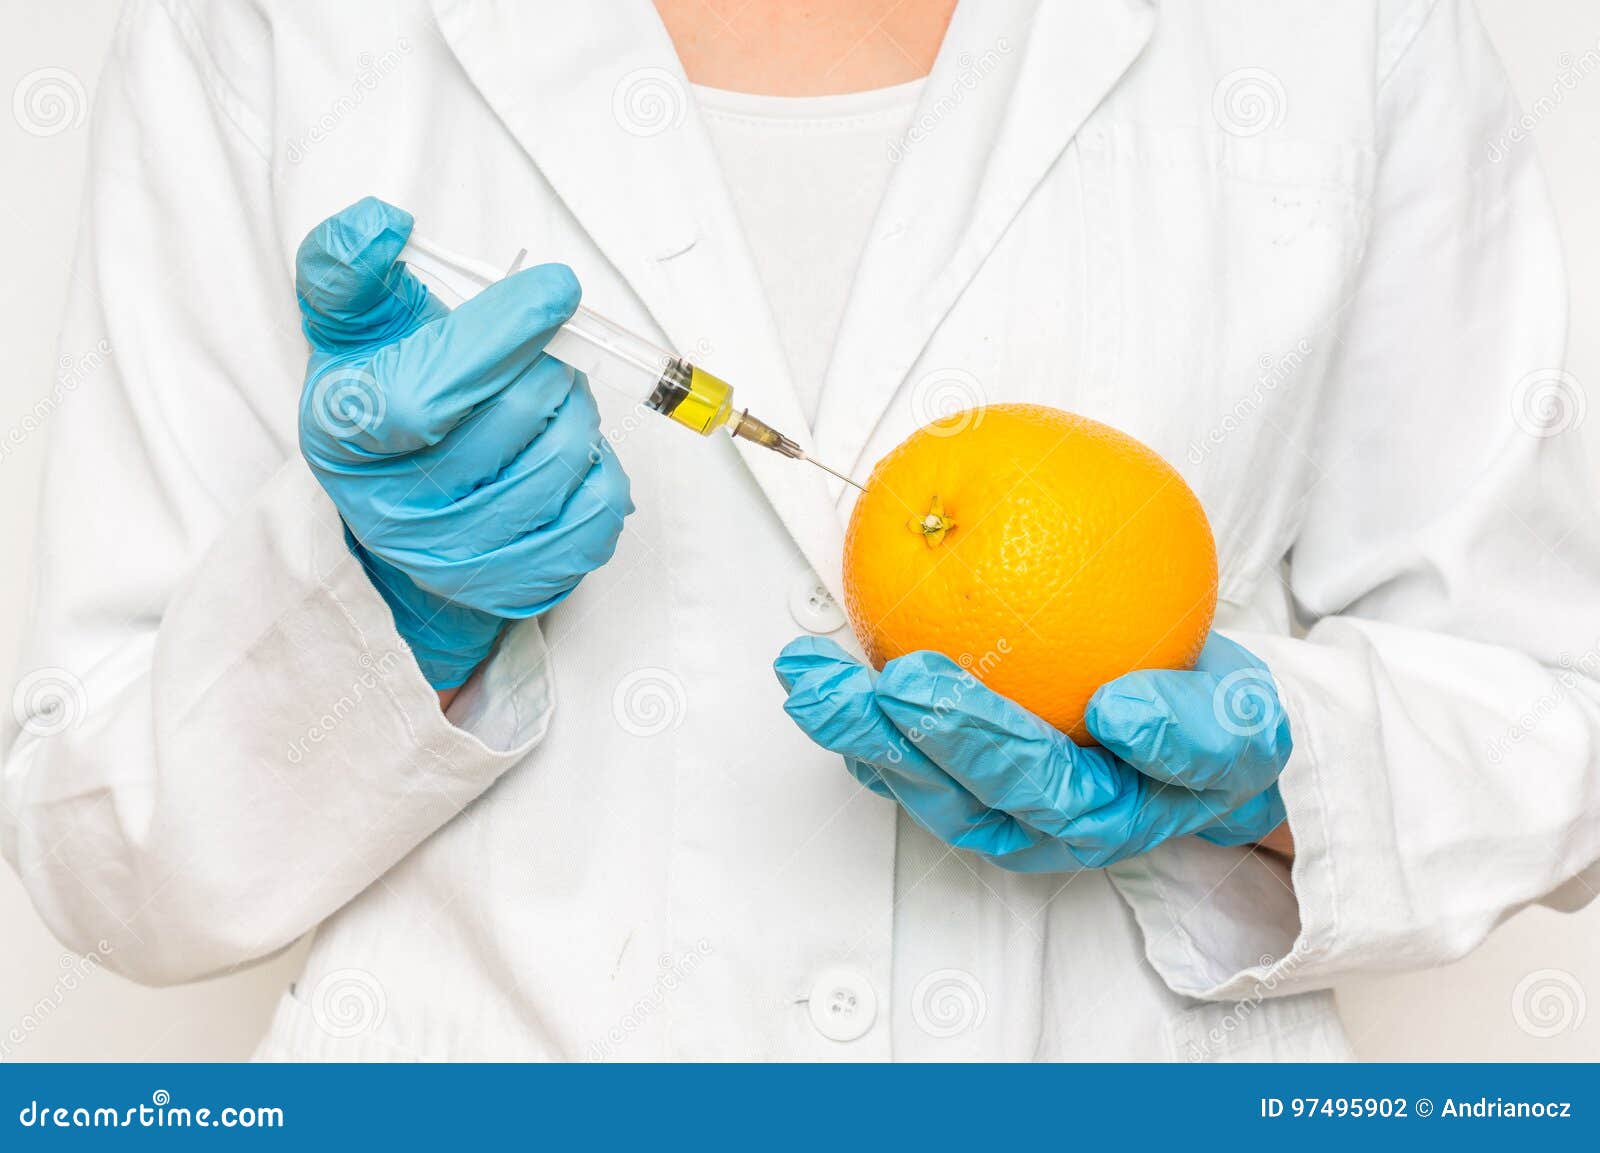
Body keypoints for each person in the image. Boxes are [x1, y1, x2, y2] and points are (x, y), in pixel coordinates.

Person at [3, 0, 1596, 1061]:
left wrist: (1262, 771)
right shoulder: (276, 28)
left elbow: (1551, 721)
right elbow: (107, 857)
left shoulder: (1340, 31)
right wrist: (379, 608)